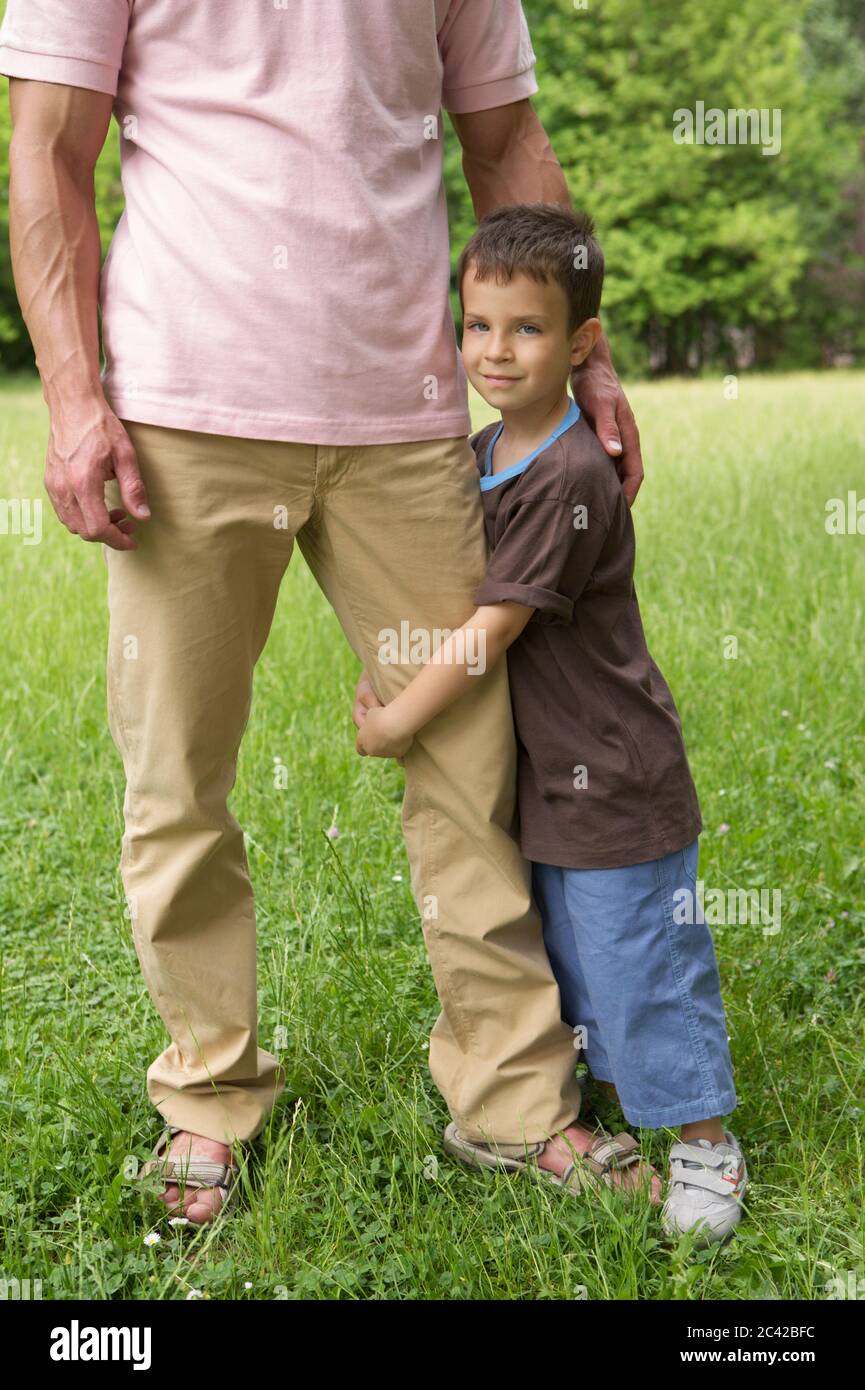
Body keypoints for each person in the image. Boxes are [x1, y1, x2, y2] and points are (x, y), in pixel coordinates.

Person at [1, 0, 647, 1225]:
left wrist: (591, 353)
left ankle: (510, 1096)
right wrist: (75, 399)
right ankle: (209, 1091)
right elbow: (47, 151)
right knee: (178, 777)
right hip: (183, 408)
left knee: (474, 759)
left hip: (404, 418)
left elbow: (506, 140)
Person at [355, 203, 747, 1243]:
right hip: (551, 771)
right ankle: (609, 1090)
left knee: (640, 963)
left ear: (580, 344)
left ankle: (704, 1139)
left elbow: (491, 631)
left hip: (613, 770)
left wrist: (398, 719)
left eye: (525, 329)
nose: (493, 350)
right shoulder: (492, 448)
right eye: (477, 325)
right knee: (574, 954)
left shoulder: (569, 475)